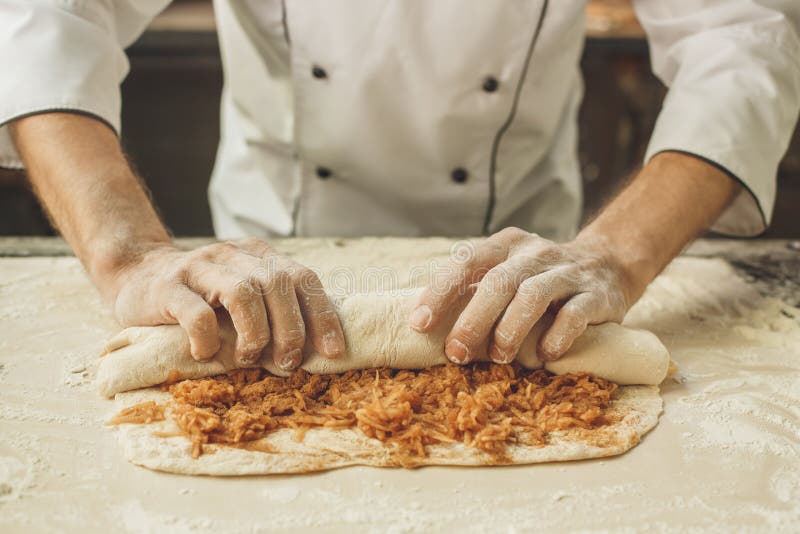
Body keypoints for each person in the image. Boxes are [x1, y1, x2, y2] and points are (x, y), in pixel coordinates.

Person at [3, 1, 799, 372]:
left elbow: (739, 33)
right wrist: (128, 255)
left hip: (522, 273)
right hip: (265, 259)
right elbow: (50, 11)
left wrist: (616, 257)